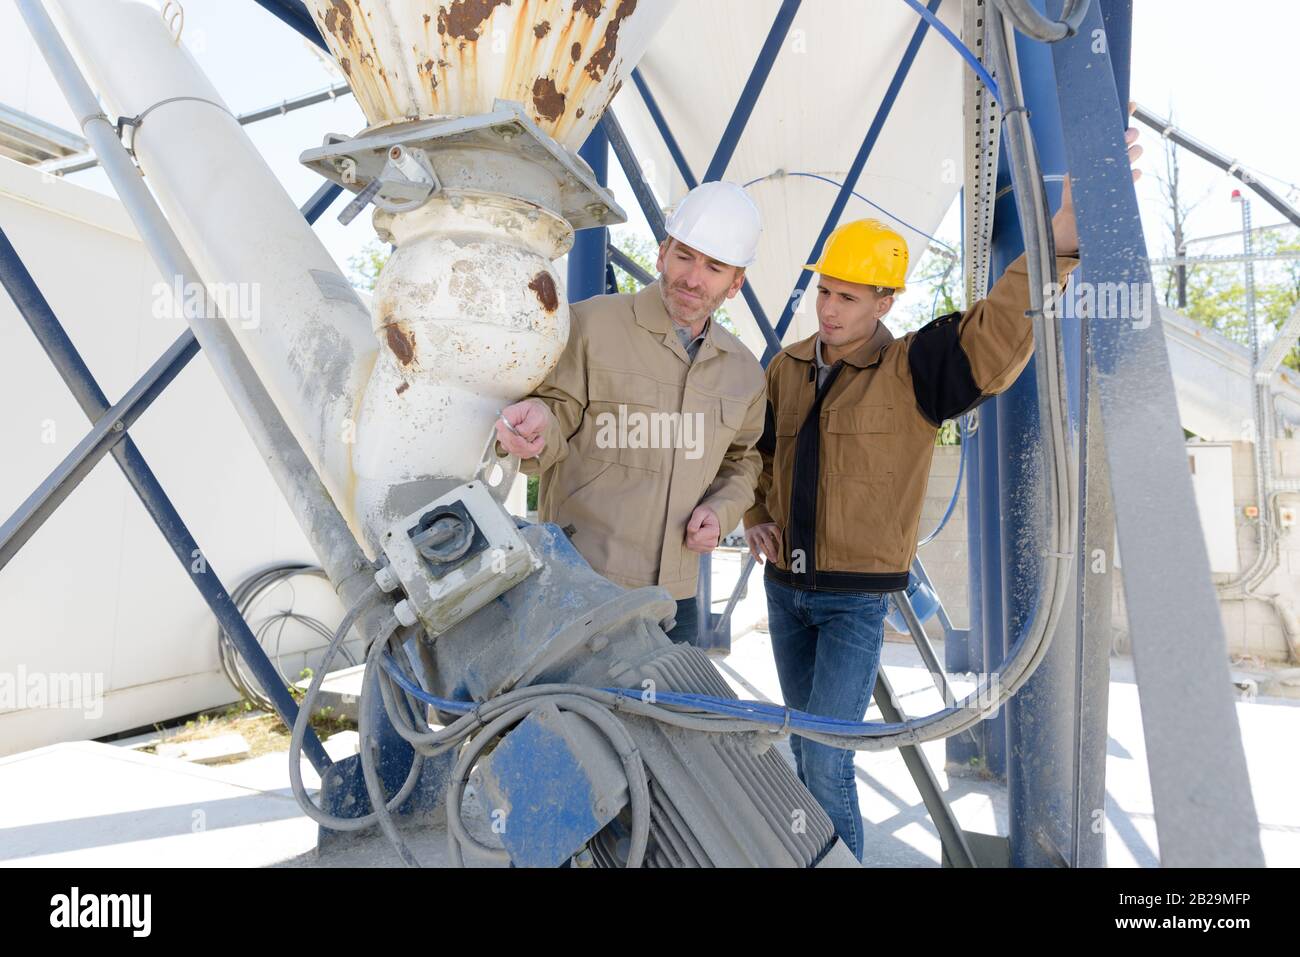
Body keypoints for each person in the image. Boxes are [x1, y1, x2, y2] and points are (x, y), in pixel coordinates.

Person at [743, 132, 1143, 860]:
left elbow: (994, 334)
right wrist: (754, 515)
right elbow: (759, 454)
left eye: (846, 296)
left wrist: (1060, 242)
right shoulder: (787, 367)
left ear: (884, 300)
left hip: (854, 601)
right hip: (783, 590)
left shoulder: (915, 369)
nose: (828, 309)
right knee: (804, 745)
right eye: (823, 291)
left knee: (829, 754)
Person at [495, 181, 767, 647]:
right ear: (663, 253)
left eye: (714, 267)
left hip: (677, 598)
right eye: (685, 256)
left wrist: (722, 513)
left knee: (661, 718)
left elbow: (743, 460)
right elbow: (557, 412)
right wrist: (538, 425)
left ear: (735, 283)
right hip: (577, 582)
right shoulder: (588, 324)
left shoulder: (744, 372)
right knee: (569, 717)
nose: (693, 278)